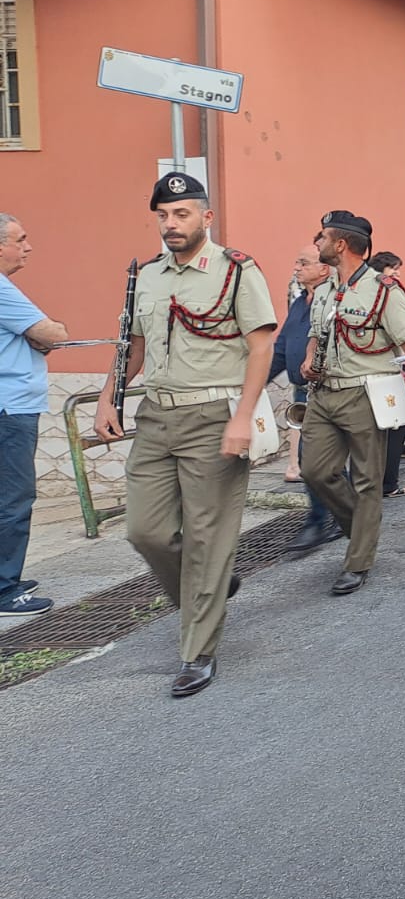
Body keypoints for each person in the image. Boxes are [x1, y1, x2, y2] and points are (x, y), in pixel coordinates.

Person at [93, 174, 276, 696]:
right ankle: (212, 589)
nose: (170, 225)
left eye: (181, 215)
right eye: (163, 217)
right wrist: (110, 394)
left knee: (206, 537)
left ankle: (198, 652)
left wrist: (243, 418)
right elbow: (134, 344)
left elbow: (261, 347)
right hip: (156, 414)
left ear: (206, 218)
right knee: (144, 531)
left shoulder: (237, 272)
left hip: (213, 415)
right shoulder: (147, 275)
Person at [299, 210, 405, 596]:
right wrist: (309, 357)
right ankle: (360, 527)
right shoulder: (324, 289)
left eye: (321, 237)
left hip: (365, 392)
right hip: (324, 393)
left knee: (367, 480)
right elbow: (316, 334)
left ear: (341, 244)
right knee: (314, 471)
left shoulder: (384, 291)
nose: (317, 243)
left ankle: (357, 561)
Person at [0, 213, 68, 617]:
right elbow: (52, 334)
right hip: (11, 407)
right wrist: (44, 332)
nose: (28, 247)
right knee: (14, 497)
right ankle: (6, 590)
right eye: (20, 239)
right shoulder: (3, 290)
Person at [270, 244, 341, 553]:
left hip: (329, 392)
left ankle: (322, 520)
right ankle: (332, 516)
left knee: (318, 461)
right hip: (303, 393)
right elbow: (283, 346)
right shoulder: (300, 302)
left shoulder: (335, 300)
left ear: (323, 269)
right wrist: (255, 382)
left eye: (303, 263)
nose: (296, 268)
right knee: (315, 461)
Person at [370, 250, 405, 498]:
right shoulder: (386, 292)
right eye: (394, 268)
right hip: (391, 372)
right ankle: (387, 483)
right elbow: (404, 328)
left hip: (390, 372)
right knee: (395, 428)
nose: (398, 273)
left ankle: (380, 482)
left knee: (389, 431)